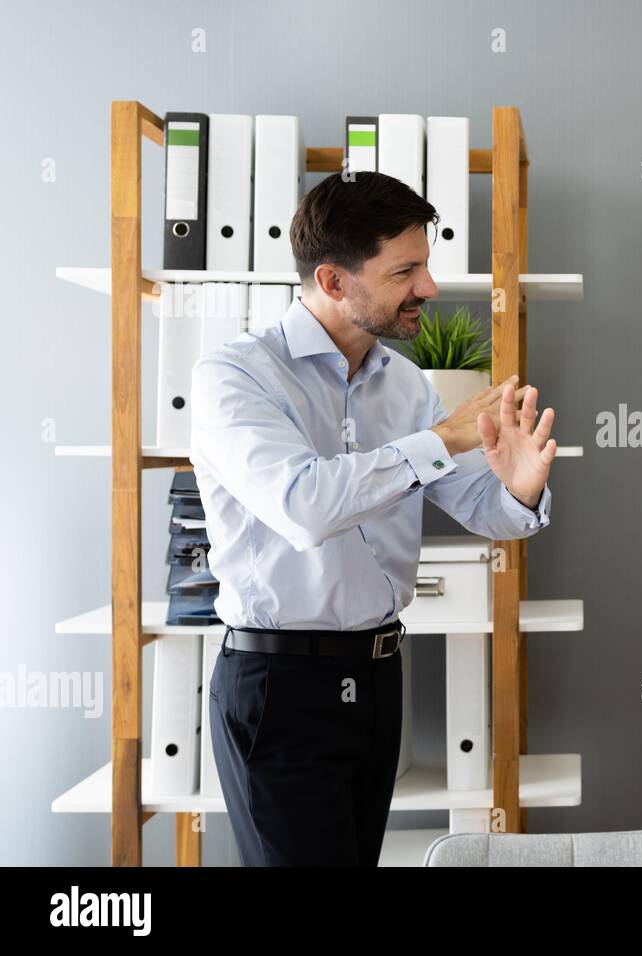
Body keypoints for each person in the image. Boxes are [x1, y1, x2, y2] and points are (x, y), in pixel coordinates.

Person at [192, 172, 558, 866]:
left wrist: (522, 491)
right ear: (332, 281)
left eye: (426, 264)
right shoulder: (235, 375)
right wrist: (443, 440)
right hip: (279, 690)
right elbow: (305, 505)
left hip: (377, 676)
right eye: (406, 271)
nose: (429, 287)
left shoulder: (406, 384)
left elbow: (481, 509)